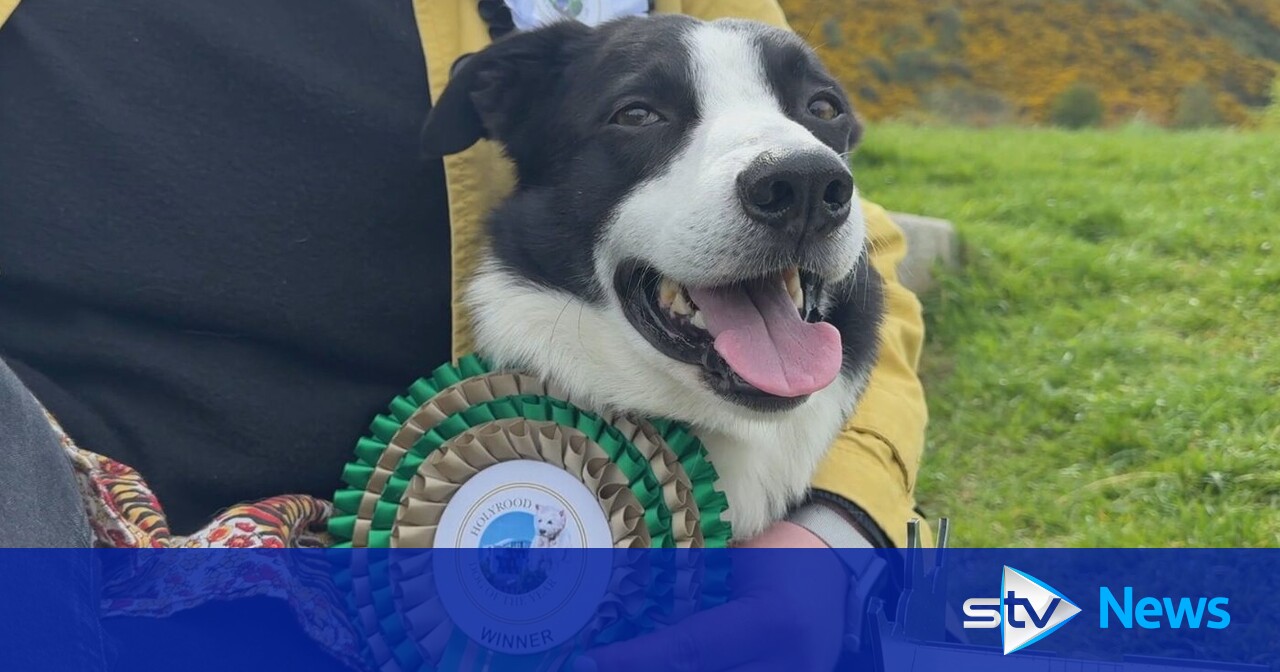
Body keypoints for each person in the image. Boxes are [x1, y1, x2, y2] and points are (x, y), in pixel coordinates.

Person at [0, 0, 929, 669]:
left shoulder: (702, 24)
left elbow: (863, 267)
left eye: (816, 118)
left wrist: (832, 536)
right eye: (643, 113)